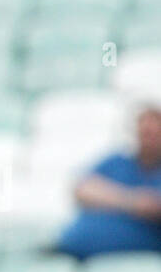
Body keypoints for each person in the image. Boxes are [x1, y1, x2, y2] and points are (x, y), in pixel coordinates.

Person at [55, 107, 161, 260]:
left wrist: (108, 198)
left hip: (140, 261)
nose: (148, 139)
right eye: (144, 133)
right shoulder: (116, 161)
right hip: (74, 252)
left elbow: (153, 206)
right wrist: (132, 201)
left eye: (154, 134)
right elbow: (82, 189)